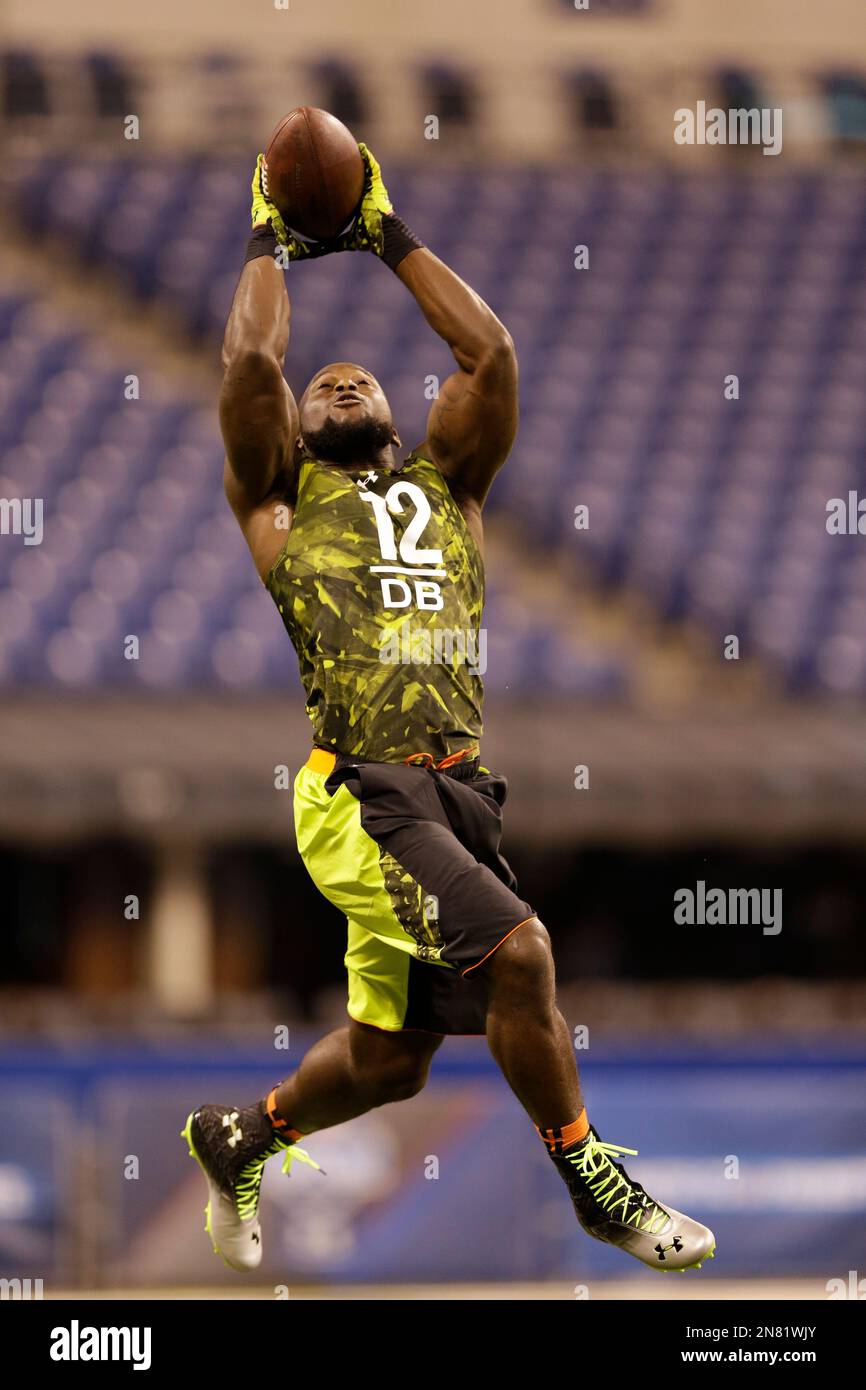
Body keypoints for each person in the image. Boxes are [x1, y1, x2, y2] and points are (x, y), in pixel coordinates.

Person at [182, 146, 715, 1277]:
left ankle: (235, 1138)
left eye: (358, 379)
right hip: (364, 794)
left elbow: (490, 351)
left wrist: (386, 235)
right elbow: (250, 359)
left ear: (397, 409)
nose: (337, 381)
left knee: (392, 1059)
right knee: (519, 954)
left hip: (459, 791)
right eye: (320, 383)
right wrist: (267, 233)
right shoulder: (280, 498)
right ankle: (591, 1180)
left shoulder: (452, 487)